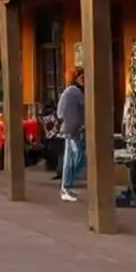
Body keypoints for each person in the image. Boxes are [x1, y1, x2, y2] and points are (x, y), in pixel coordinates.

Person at [57, 68, 86, 202]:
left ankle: (67, 185)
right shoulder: (76, 92)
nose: (84, 80)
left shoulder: (69, 91)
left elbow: (60, 112)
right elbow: (85, 107)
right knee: (77, 156)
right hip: (72, 129)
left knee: (73, 157)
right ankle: (67, 184)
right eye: (82, 77)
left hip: (70, 128)